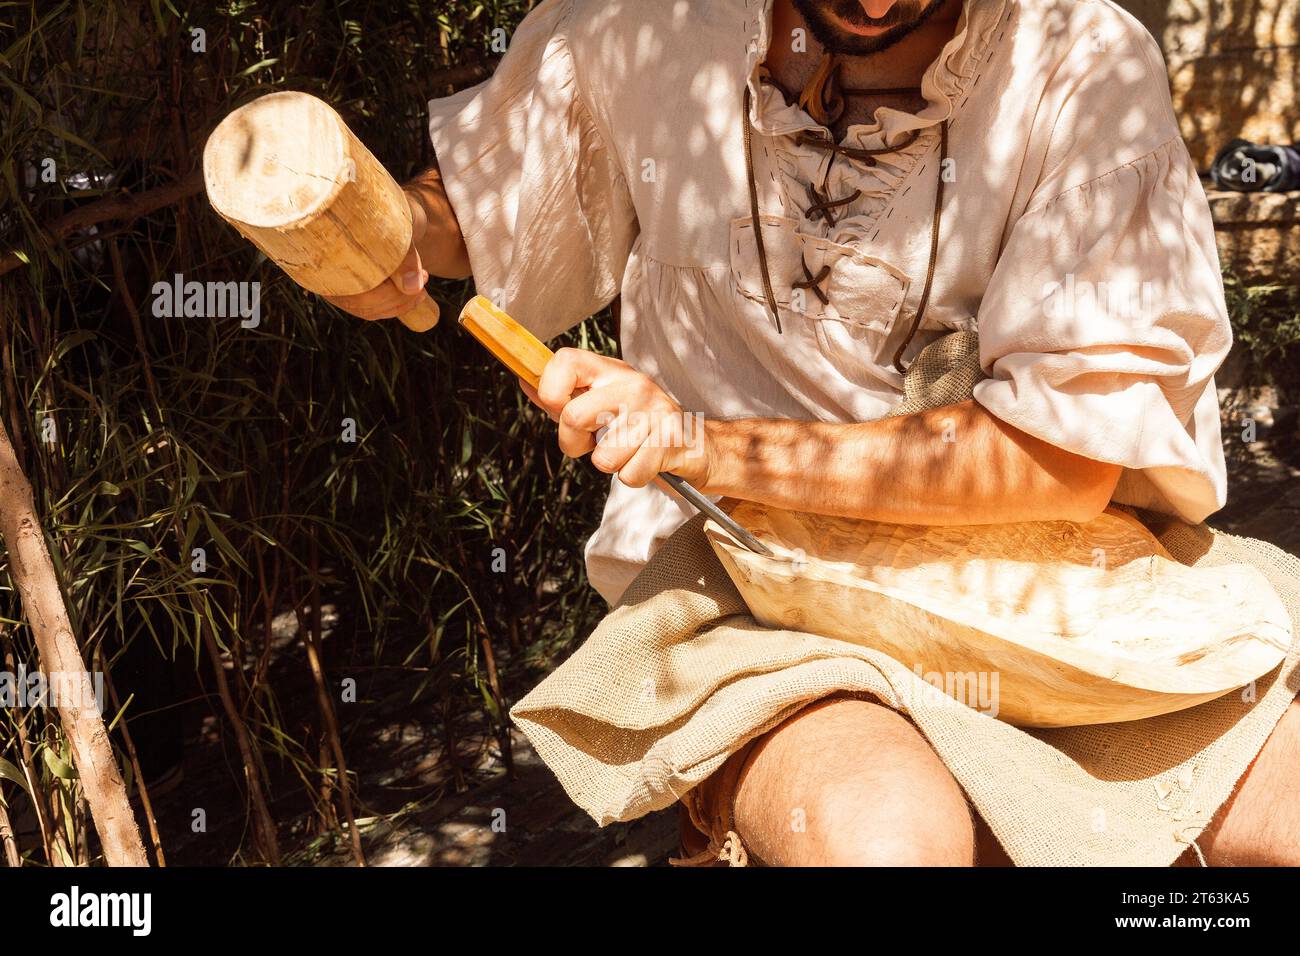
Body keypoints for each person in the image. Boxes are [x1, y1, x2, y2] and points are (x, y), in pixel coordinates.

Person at [327, 0, 1300, 866]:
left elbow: (1057, 455)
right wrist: (389, 229)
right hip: (752, 597)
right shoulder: (649, 23)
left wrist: (698, 442)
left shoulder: (1079, 60)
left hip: (1053, 589)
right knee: (886, 838)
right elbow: (485, 195)